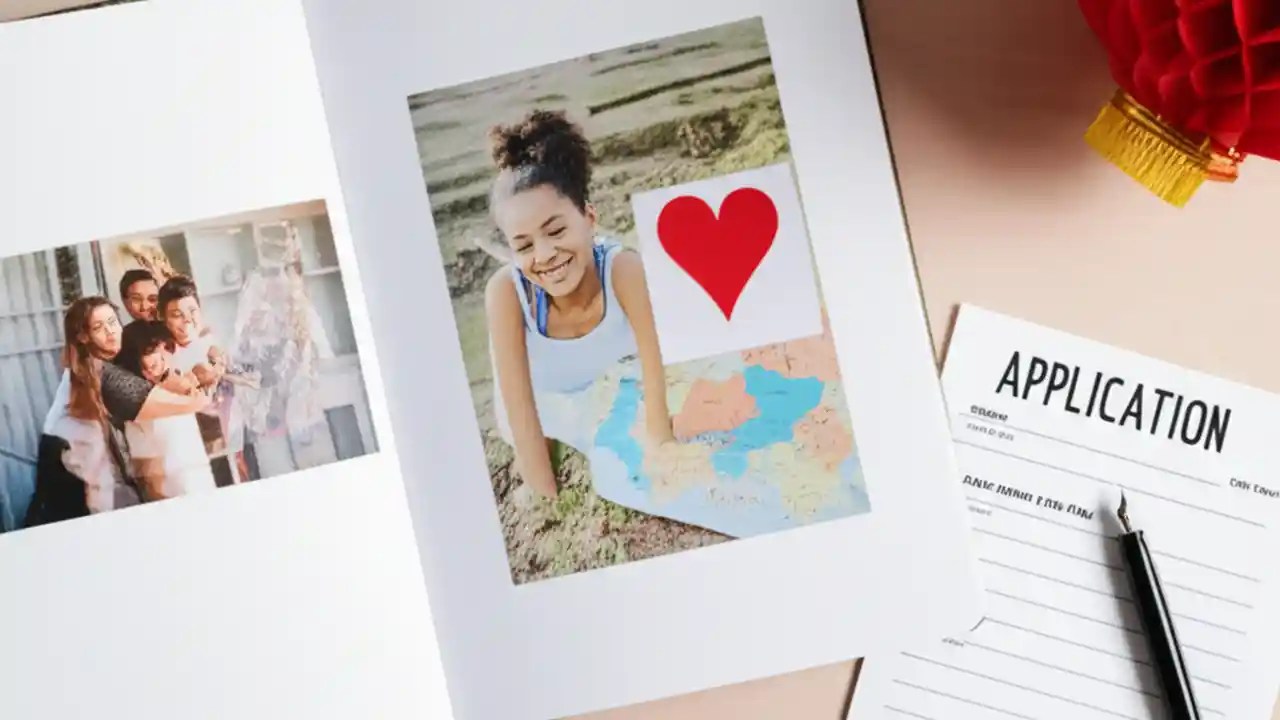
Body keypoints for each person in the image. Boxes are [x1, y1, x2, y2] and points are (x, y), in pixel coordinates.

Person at [484, 109, 673, 499]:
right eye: (524, 246)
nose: (545, 254)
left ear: (589, 217)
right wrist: (547, 494)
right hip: (546, 406)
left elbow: (657, 375)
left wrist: (663, 452)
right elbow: (521, 413)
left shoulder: (624, 269)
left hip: (615, 391)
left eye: (556, 231)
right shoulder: (506, 293)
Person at [28, 297, 210, 524]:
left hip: (75, 476)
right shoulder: (99, 372)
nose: (111, 331)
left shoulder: (92, 368)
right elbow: (174, 404)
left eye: (113, 322)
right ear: (83, 337)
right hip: (73, 481)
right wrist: (198, 393)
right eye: (98, 327)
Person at [114, 320, 217, 500]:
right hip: (169, 496)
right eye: (151, 351)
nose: (162, 356)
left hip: (201, 484)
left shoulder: (175, 384)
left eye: (167, 348)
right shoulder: (138, 399)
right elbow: (146, 471)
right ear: (132, 356)